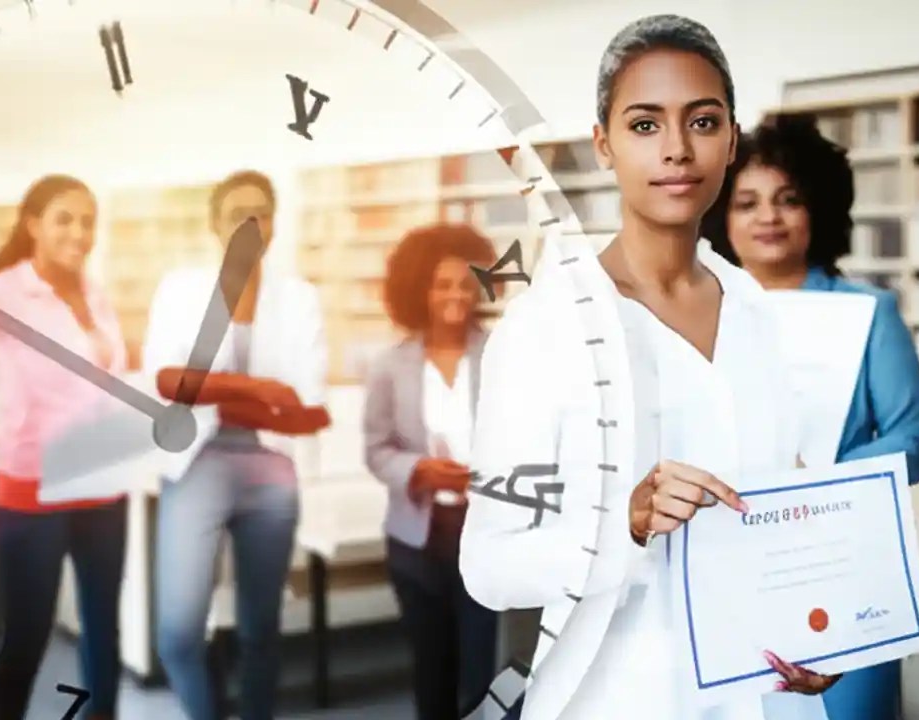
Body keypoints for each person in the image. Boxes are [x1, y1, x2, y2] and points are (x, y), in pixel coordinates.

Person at [459, 15, 841, 720]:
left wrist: (819, 630)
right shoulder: (548, 327)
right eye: (644, 125)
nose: (675, 149)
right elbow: (488, 567)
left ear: (730, 141)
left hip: (765, 698)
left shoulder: (754, 311)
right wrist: (624, 523)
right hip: (623, 696)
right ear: (603, 144)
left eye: (701, 122)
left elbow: (785, 506)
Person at [702, 116, 919, 720]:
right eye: (747, 202)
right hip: (735, 557)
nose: (768, 217)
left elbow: (914, 439)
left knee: (848, 706)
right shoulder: (702, 317)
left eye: (790, 200)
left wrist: (819, 475)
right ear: (722, 219)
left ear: (820, 210)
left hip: (846, 555)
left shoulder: (869, 312)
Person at [142, 170, 330, 720]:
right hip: (197, 464)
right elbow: (166, 381)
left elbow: (309, 410)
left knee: (260, 630)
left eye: (262, 212)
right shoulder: (180, 289)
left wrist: (213, 393)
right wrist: (258, 389)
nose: (250, 223)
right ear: (213, 224)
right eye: (236, 214)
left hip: (272, 473)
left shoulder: (299, 300)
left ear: (275, 223)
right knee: (177, 632)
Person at [0, 174, 127, 720]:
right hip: (33, 487)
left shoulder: (96, 293)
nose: (79, 231)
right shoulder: (1, 292)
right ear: (33, 226)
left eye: (88, 220)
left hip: (100, 483)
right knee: (27, 635)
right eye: (64, 218)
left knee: (103, 633)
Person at [363, 224, 501, 719]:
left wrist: (483, 475)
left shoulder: (504, 356)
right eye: (443, 284)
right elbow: (376, 449)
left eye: (466, 283)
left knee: (480, 673)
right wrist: (420, 470)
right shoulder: (390, 365)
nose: (456, 295)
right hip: (417, 541)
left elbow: (524, 439)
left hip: (484, 533)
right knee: (431, 671)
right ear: (420, 289)